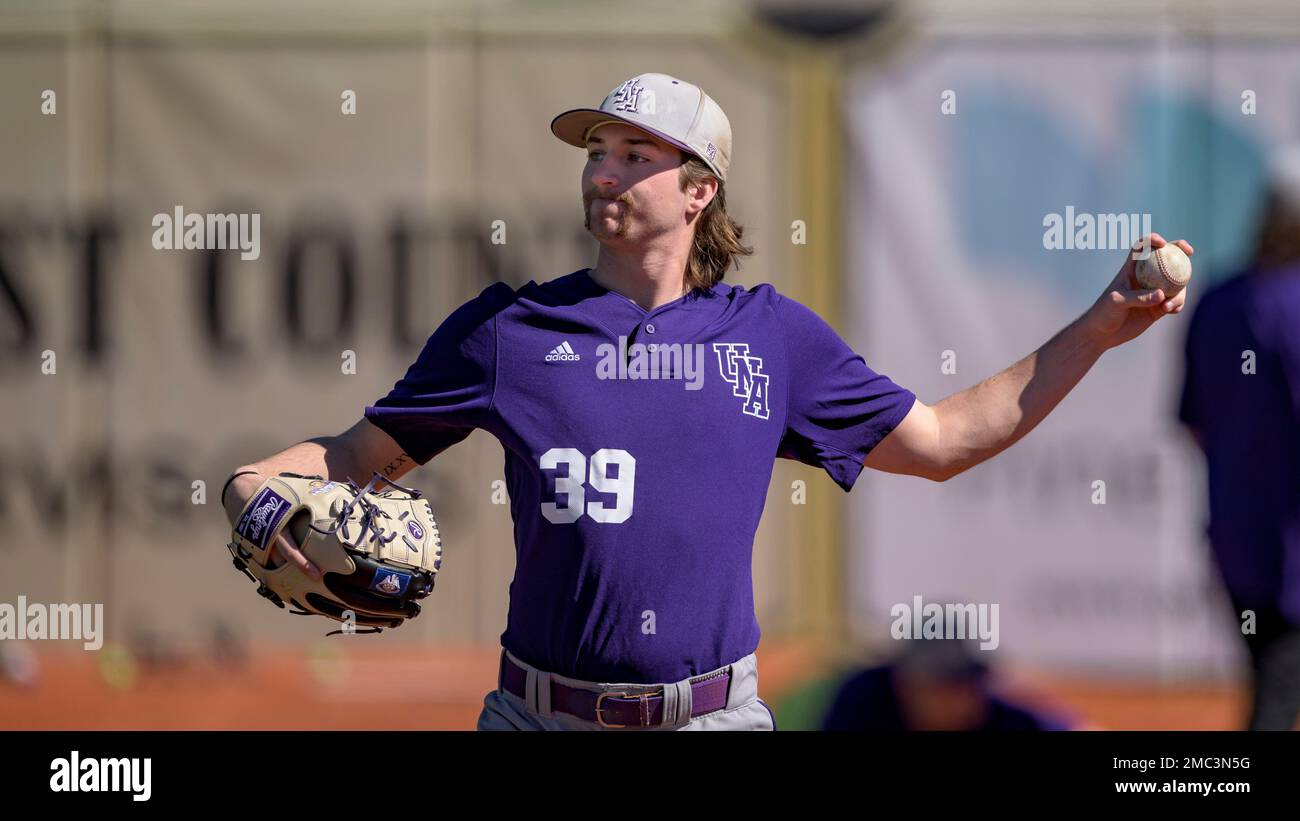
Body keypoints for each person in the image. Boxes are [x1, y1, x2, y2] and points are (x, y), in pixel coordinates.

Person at [222, 72, 1190, 731]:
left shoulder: (770, 338)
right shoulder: (507, 333)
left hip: (711, 717)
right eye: (597, 148)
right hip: (537, 714)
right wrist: (249, 483)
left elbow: (943, 439)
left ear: (697, 190)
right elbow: (354, 459)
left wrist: (1101, 326)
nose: (604, 168)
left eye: (635, 153)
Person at [1177, 145, 1300, 730]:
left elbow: (1195, 425)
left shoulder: (1219, 302)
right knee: (1277, 694)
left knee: (1273, 684)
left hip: (1237, 542)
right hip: (1283, 553)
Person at [821, 639, 1075, 731]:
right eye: (939, 685)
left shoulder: (1005, 719)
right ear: (904, 685)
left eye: (962, 683)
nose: (953, 699)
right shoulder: (862, 703)